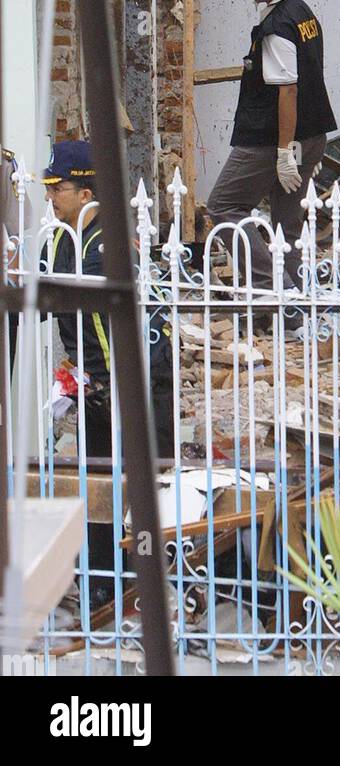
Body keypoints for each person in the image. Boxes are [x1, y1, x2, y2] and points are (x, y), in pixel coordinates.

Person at [40, 141, 174, 608]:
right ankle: (102, 585)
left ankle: (146, 587)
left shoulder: (109, 247)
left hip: (138, 384)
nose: (52, 197)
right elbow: (35, 298)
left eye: (60, 188)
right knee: (98, 484)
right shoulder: (62, 240)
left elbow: (126, 333)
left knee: (146, 490)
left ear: (85, 192)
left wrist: (103, 384)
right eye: (49, 188)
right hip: (98, 387)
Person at [207, 0, 337, 290]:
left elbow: (288, 90)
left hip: (272, 138)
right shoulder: (303, 13)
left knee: (224, 206)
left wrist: (283, 151)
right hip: (311, 136)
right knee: (286, 223)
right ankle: (295, 311)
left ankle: (270, 289)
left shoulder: (278, 25)